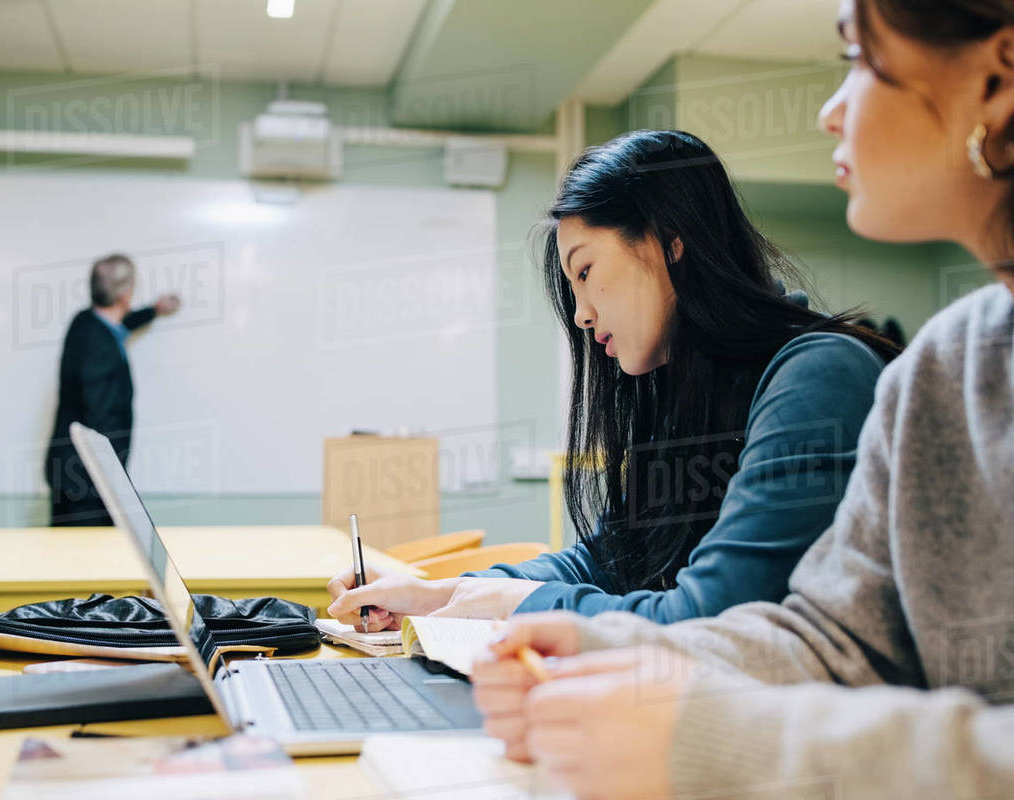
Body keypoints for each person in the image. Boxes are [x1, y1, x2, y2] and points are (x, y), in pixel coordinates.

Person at [471, 1, 1014, 798]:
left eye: (858, 61)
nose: (831, 110)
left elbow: (732, 617)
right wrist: (587, 647)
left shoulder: (826, 371)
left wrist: (712, 739)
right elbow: (834, 641)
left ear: (997, 80)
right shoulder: (945, 363)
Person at [328, 130, 899, 630]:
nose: (579, 314)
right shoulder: (687, 397)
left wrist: (518, 603)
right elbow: (605, 558)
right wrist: (436, 595)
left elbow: (709, 619)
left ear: (670, 242)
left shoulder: (818, 376)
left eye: (586, 271)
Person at [44, 253, 179, 526]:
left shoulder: (84, 322)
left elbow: (118, 325)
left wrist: (153, 310)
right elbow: (101, 420)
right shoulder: (99, 346)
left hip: (74, 475)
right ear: (125, 295)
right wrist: (117, 487)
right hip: (87, 483)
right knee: (85, 564)